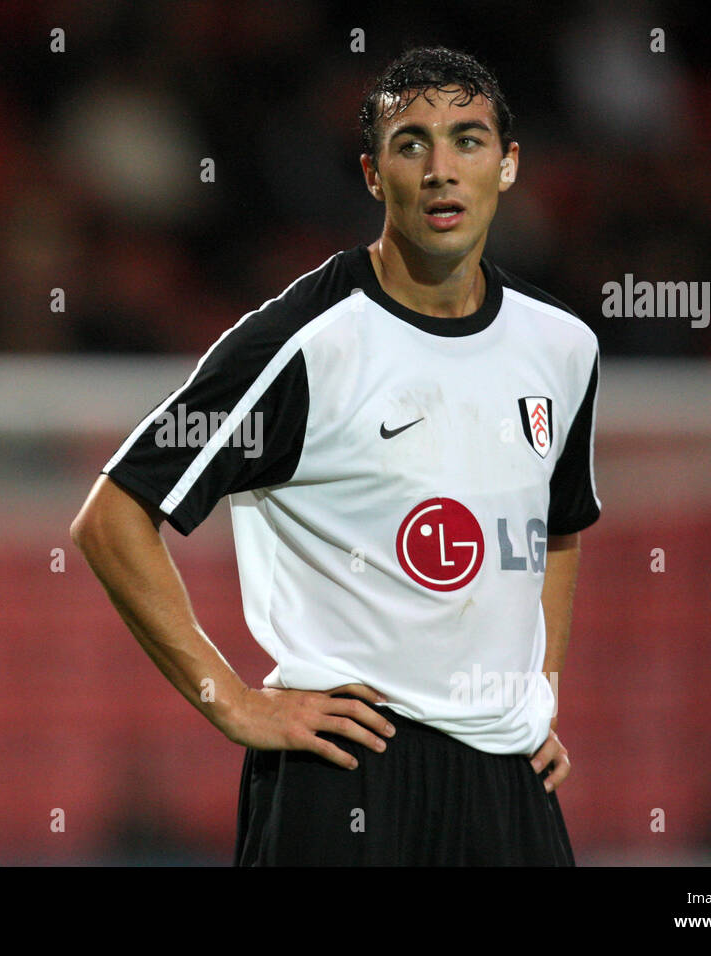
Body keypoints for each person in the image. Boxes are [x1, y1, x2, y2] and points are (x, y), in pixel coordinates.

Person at [70, 45, 600, 865]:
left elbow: (558, 528)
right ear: (371, 173)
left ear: (509, 165)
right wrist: (234, 703)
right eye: (410, 143)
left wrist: (542, 694)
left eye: (468, 140)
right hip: (351, 768)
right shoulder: (306, 343)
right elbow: (113, 517)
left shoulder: (562, 346)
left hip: (507, 781)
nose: (440, 170)